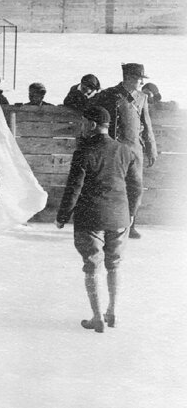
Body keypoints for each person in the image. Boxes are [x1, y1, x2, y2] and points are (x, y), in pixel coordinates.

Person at [55, 106, 142, 333]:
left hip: (90, 218)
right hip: (120, 218)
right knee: (114, 265)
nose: (81, 126)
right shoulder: (126, 151)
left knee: (92, 266)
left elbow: (74, 188)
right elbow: (136, 187)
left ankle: (97, 317)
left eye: (84, 122)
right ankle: (112, 312)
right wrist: (131, 213)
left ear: (92, 125)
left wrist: (62, 216)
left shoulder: (83, 153)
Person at [92, 63, 158, 239]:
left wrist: (152, 148)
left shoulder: (142, 97)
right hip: (114, 149)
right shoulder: (108, 95)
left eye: (142, 79)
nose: (141, 82)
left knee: (135, 188)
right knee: (110, 187)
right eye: (138, 79)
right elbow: (91, 113)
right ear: (128, 77)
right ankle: (107, 225)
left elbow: (147, 123)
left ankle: (130, 225)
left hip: (135, 149)